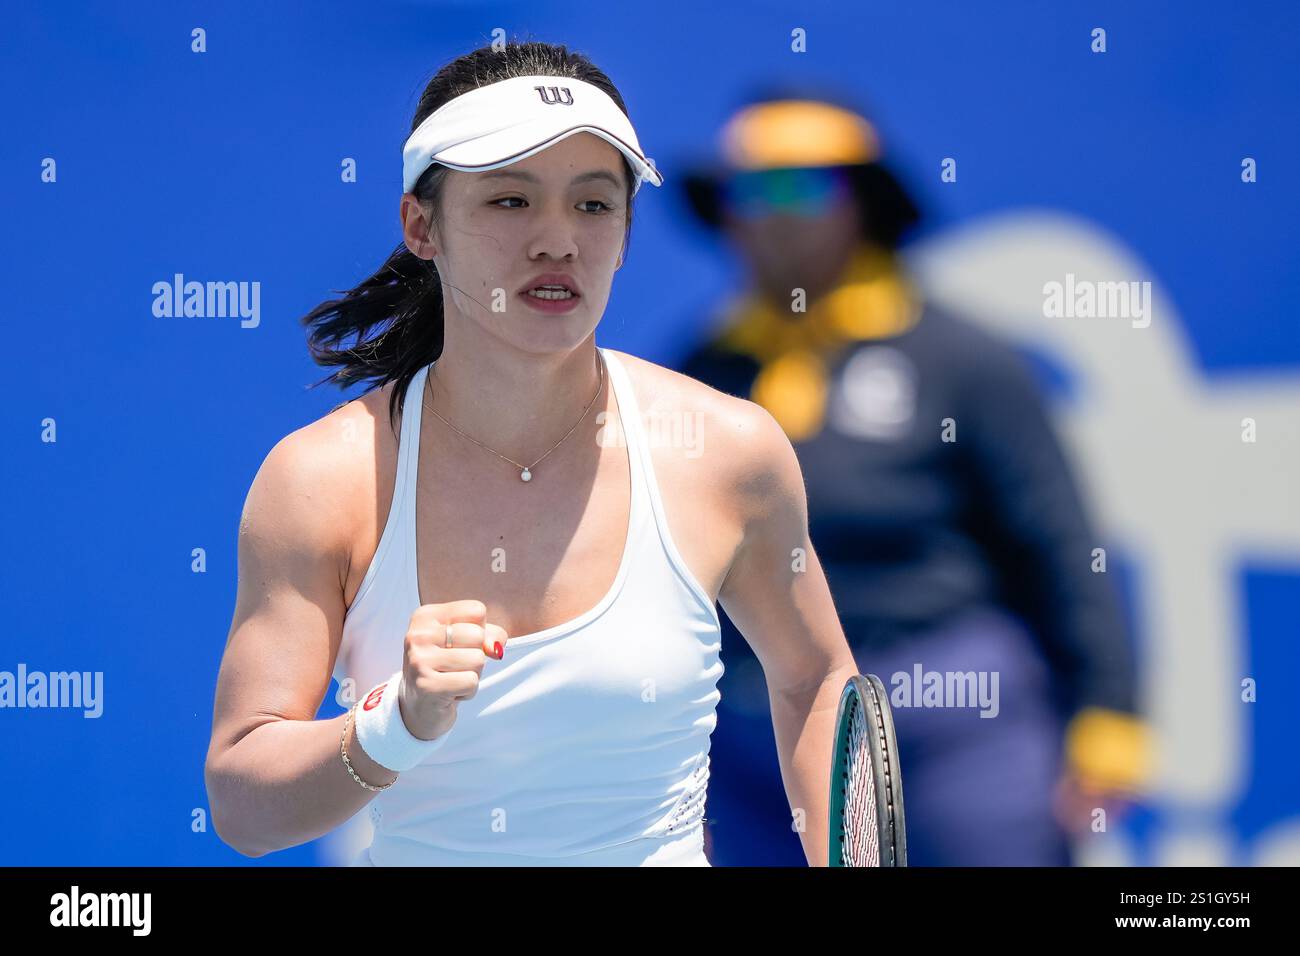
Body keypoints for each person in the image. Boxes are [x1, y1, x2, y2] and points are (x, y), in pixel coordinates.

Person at [202, 42, 860, 867]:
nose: (557, 241)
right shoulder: (318, 482)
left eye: (593, 205)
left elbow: (817, 682)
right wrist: (390, 728)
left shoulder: (729, 452)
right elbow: (241, 808)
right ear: (421, 225)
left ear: (624, 233)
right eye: (510, 200)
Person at [675, 90, 1151, 865]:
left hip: (953, 720)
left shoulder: (961, 359)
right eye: (748, 190)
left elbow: (1060, 545)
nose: (774, 212)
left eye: (805, 185)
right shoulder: (703, 371)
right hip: (759, 742)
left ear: (863, 201)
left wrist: (1110, 716)